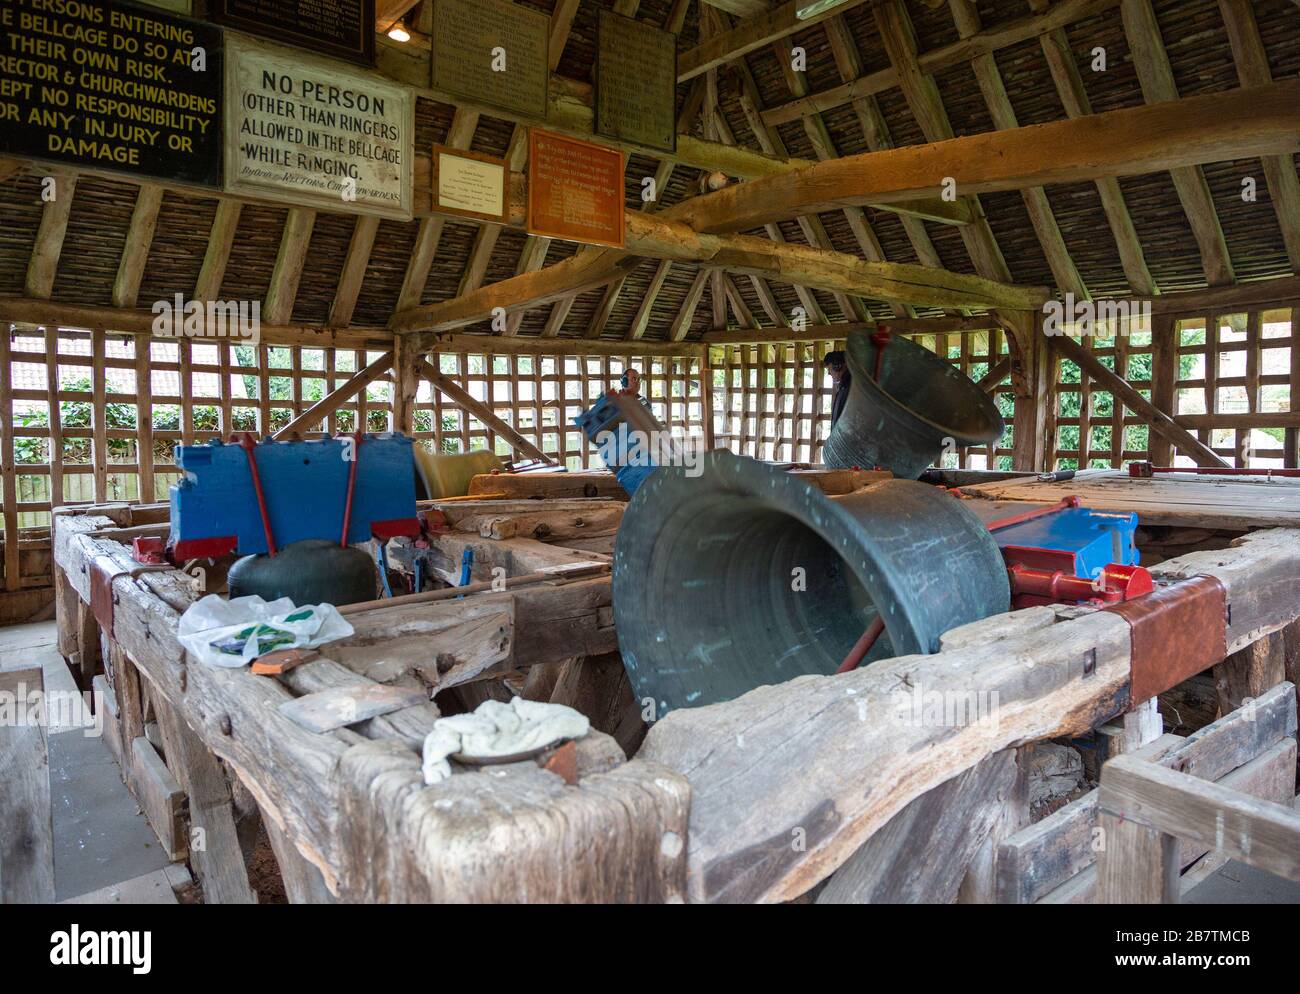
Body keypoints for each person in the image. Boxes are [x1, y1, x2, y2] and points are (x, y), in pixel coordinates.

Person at [823, 351, 851, 427]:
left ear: (838, 366)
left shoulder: (849, 388)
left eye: (829, 368)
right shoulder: (844, 386)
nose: (829, 373)